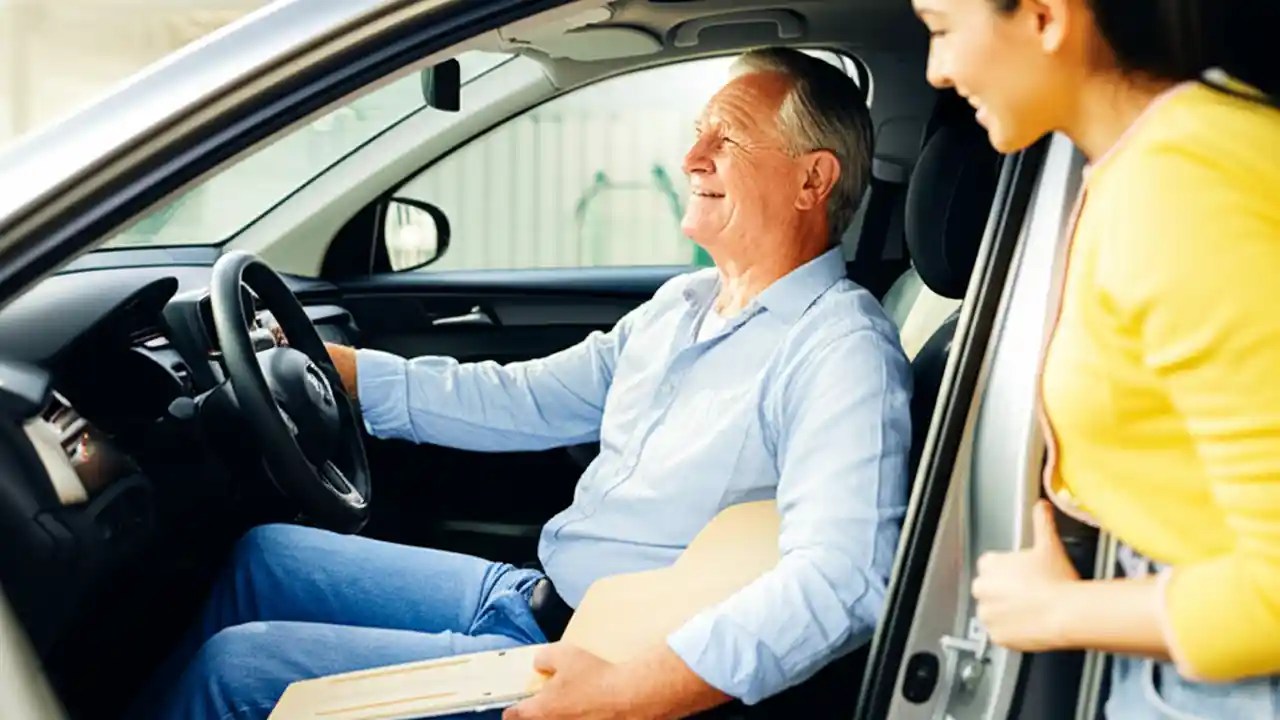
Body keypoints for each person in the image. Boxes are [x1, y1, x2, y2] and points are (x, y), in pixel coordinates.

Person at [142, 47, 913, 720]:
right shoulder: (683, 304)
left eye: (728, 138)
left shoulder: (839, 349)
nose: (691, 158)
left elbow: (844, 578)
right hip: (535, 601)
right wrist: (349, 377)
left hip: (599, 663)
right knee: (264, 556)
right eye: (697, 132)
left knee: (237, 671)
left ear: (813, 179)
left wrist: (635, 691)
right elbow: (529, 398)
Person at [912, 0, 1280, 716]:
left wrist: (1056, 611)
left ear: (1045, 16)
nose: (937, 70)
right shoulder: (1150, 161)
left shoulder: (1180, 188)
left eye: (942, 29)